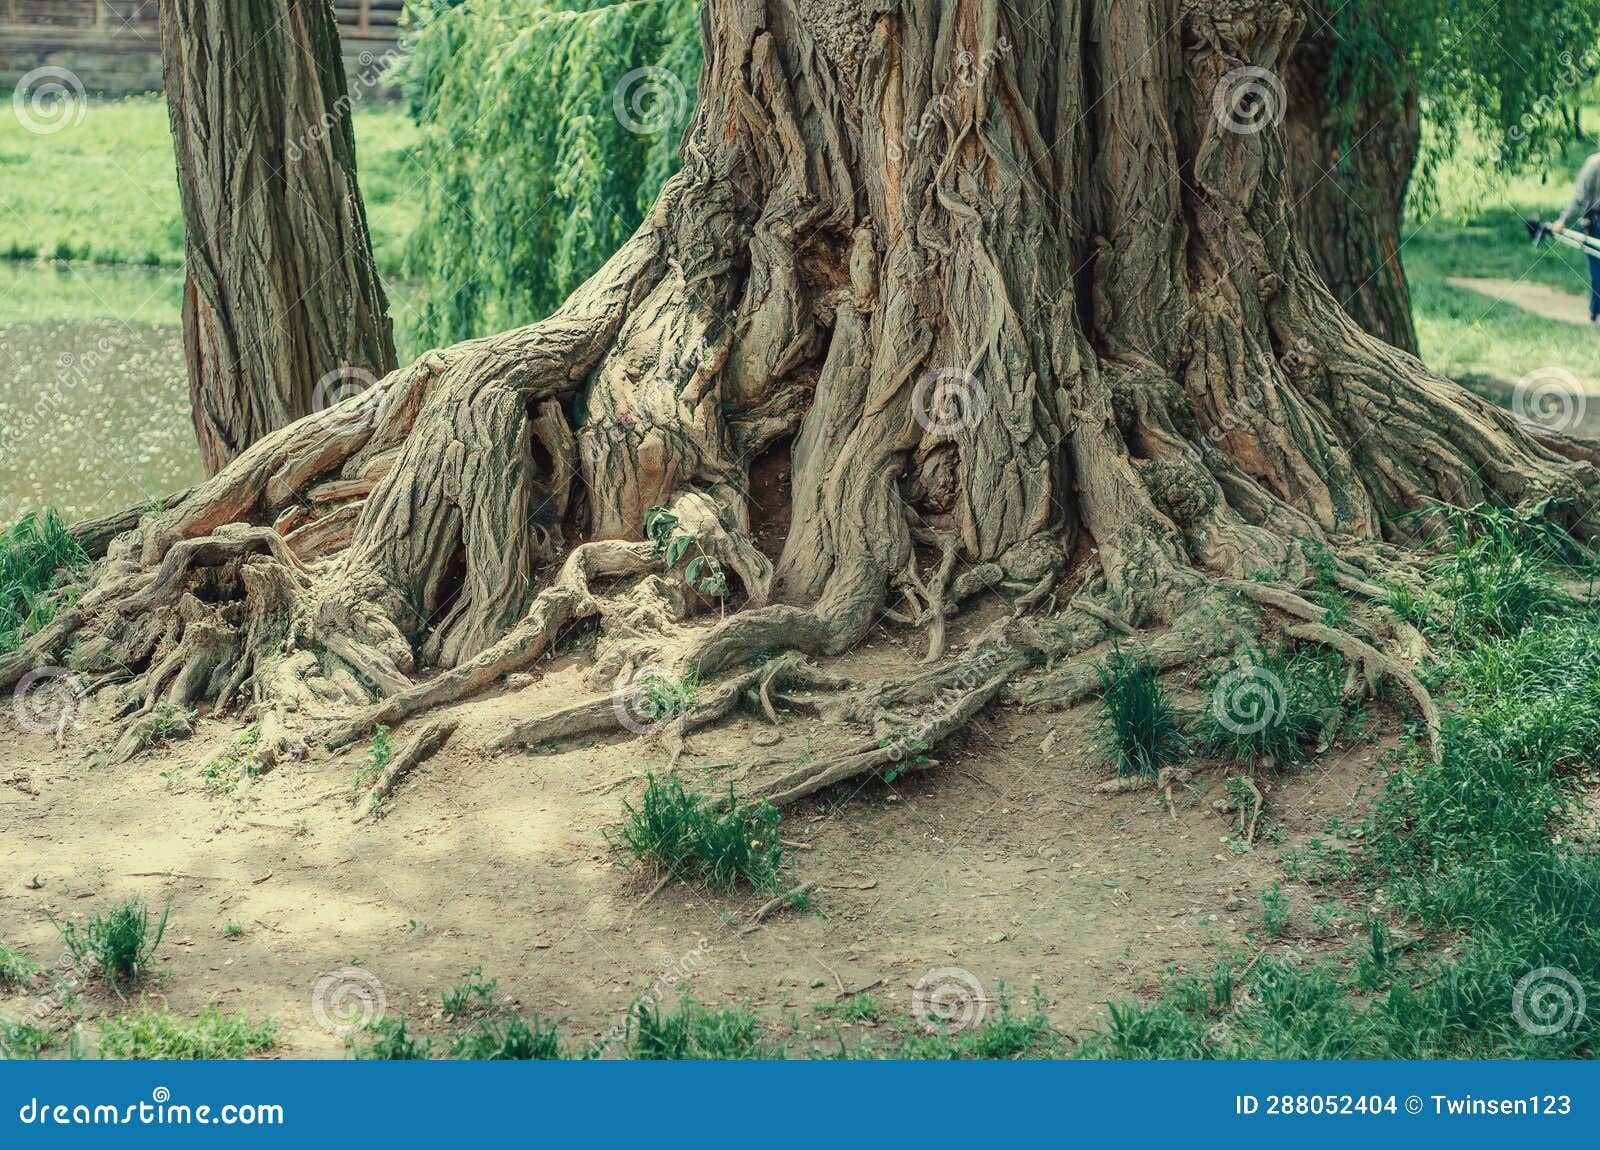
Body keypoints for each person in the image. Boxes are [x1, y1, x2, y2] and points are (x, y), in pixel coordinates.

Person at [1554, 151, 1600, 322]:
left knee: (1598, 269)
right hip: (1596, 223)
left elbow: (1580, 196)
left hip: (1595, 222)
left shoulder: (1594, 162)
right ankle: (1596, 311)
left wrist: (1563, 220)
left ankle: (1596, 312)